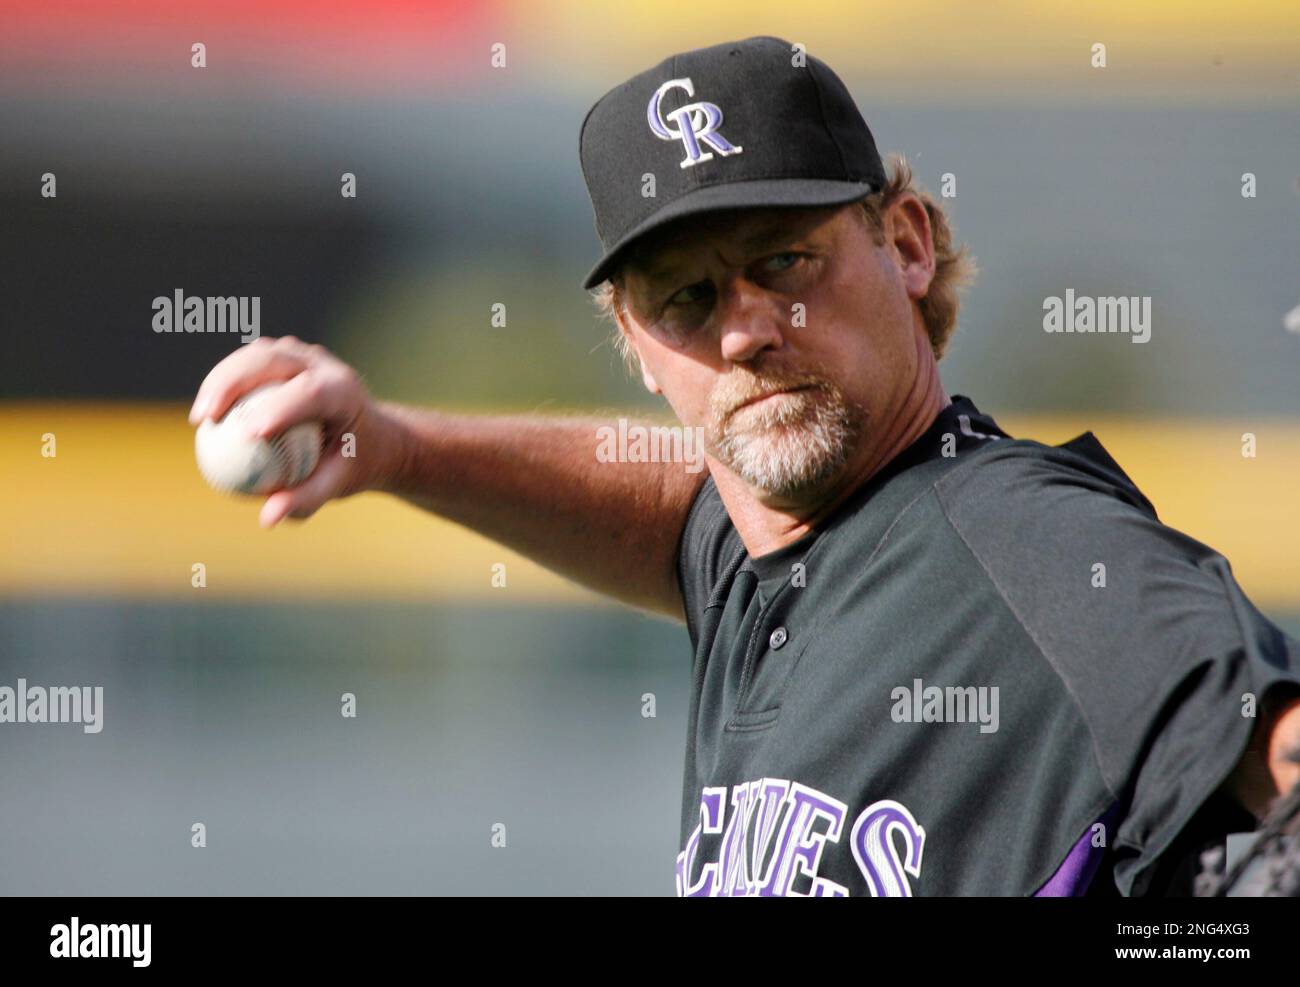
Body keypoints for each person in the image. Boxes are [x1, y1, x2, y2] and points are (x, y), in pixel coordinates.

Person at [190, 36, 1300, 896]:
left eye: (784, 259)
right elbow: (677, 515)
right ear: (631, 342)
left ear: (906, 243)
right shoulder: (767, 557)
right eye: (685, 297)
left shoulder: (1035, 546)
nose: (742, 332)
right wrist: (398, 447)